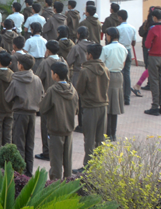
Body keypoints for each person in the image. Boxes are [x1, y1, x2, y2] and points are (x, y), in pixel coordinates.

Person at [4, 54, 44, 175]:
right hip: (32, 114)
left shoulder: (15, 80)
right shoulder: (37, 79)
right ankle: (29, 171)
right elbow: (42, 95)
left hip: (19, 113)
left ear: (20, 66)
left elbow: (7, 97)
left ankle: (20, 173)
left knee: (18, 143)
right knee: (29, 144)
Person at [39, 62, 78, 180]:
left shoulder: (52, 91)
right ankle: (68, 186)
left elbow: (43, 108)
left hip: (55, 131)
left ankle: (55, 188)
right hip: (69, 130)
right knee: (68, 162)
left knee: (56, 164)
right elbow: (76, 110)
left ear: (55, 75)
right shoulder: (73, 90)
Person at [73, 42, 108, 171]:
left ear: (90, 55)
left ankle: (88, 166)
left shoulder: (85, 71)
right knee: (100, 138)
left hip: (90, 107)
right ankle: (98, 165)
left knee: (89, 138)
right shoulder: (105, 69)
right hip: (103, 106)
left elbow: (80, 89)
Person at [143, 8, 161, 116]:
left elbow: (147, 45)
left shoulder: (153, 28)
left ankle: (155, 106)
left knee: (154, 81)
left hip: (153, 56)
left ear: (154, 17)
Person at [101, 28, 126, 140]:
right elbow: (124, 63)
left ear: (109, 36)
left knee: (106, 104)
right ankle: (113, 134)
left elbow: (101, 64)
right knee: (114, 106)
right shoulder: (123, 48)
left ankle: (107, 132)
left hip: (107, 75)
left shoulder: (106, 48)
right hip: (119, 75)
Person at [116, 10, 137, 105]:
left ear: (120, 18)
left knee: (119, 72)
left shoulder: (118, 29)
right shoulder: (132, 28)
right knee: (127, 73)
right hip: (128, 50)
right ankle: (127, 97)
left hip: (120, 50)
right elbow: (134, 42)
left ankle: (119, 95)